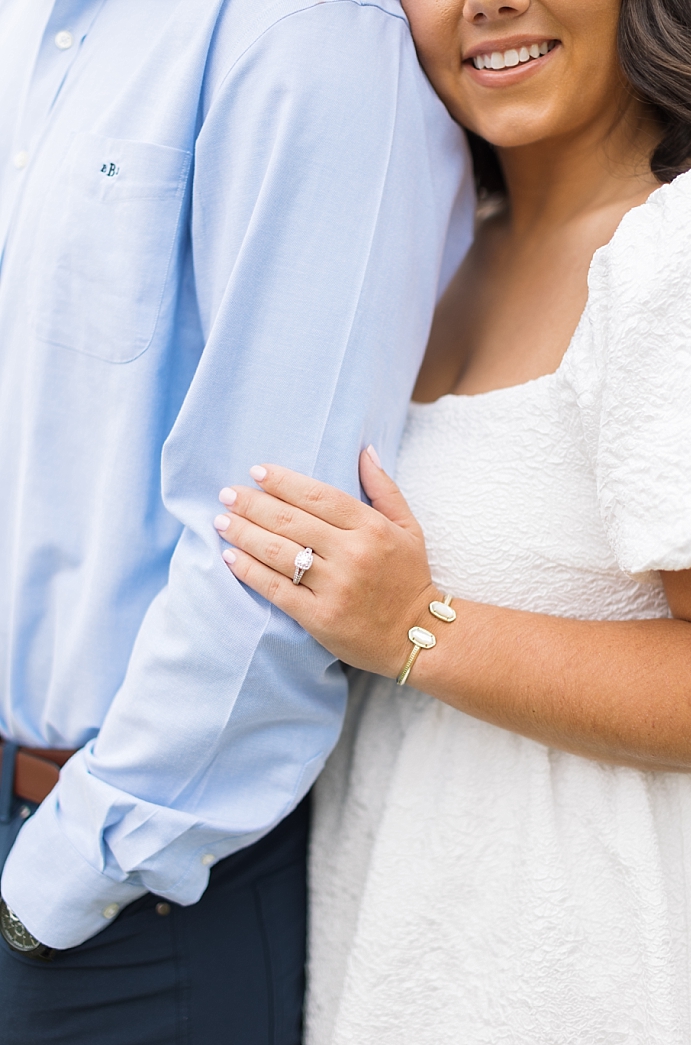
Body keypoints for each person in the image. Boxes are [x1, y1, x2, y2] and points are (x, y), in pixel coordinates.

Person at [214, 0, 691, 1039]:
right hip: (392, 932)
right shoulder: (431, 245)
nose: (486, 4)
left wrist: (413, 627)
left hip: (576, 964)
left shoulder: (670, 253)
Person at [0, 0, 471, 1039]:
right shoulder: (33, 31)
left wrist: (73, 871)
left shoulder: (315, 31)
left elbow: (280, 534)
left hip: (130, 886)